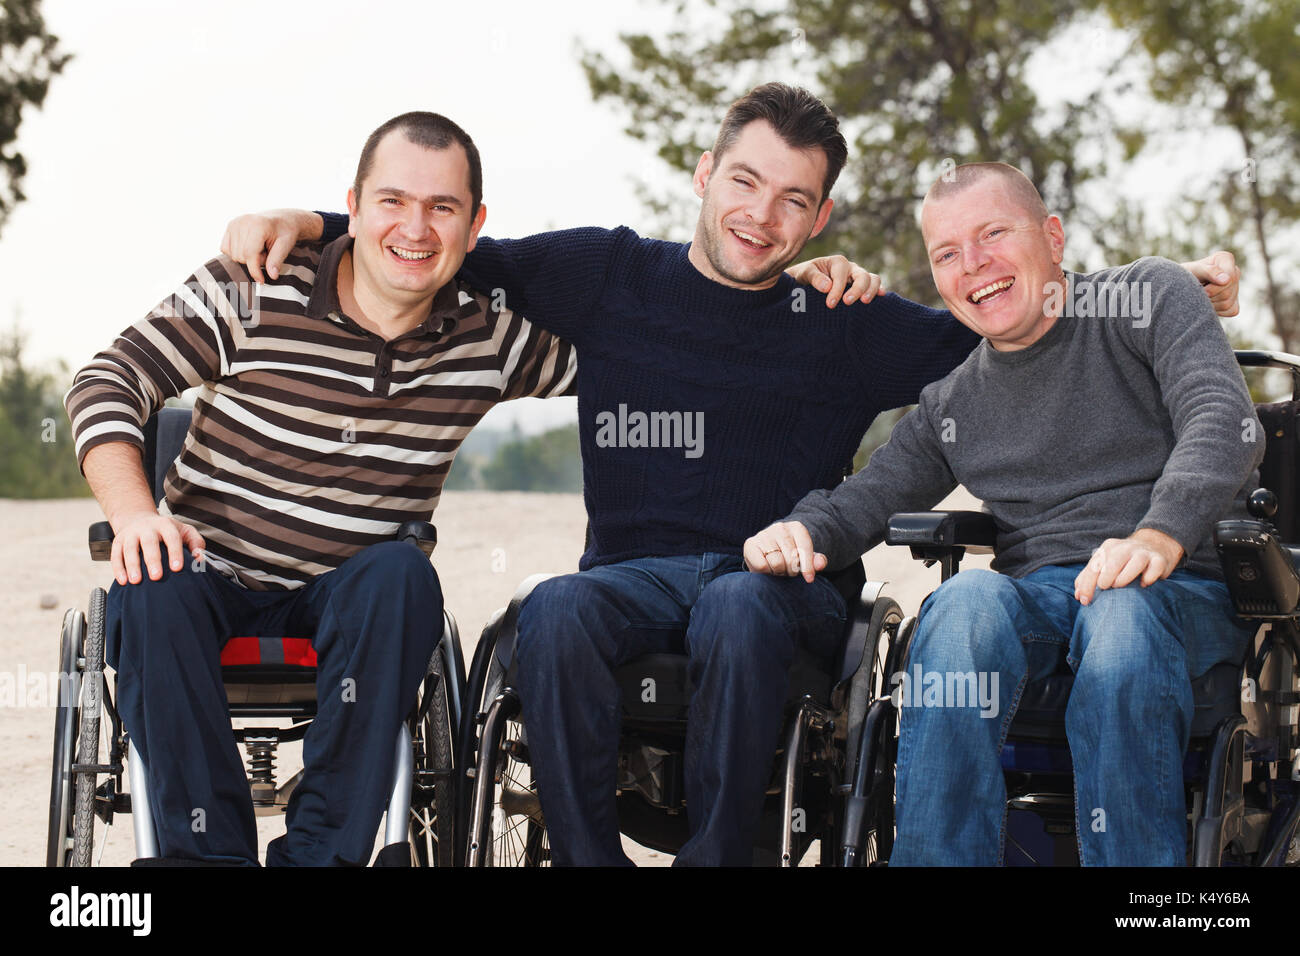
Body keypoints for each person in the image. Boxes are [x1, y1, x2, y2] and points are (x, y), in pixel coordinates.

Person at [224, 84, 1241, 866]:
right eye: (745, 182)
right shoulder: (607, 272)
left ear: (821, 220)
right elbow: (438, 247)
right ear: (706, 172)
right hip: (639, 574)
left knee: (745, 606)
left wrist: (1154, 288)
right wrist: (316, 222)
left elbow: (1021, 318)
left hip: (796, 588)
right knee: (556, 609)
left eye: (793, 199)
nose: (761, 214)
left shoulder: (859, 325)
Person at [64, 112, 578, 865]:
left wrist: (770, 293)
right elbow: (109, 378)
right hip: (209, 571)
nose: (416, 227)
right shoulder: (251, 286)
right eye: (393, 202)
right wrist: (135, 514)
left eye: (443, 208)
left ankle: (318, 857)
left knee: (404, 574)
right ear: (354, 206)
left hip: (353, 597)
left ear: (476, 227)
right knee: (150, 580)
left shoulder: (489, 337)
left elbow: (639, 359)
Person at [744, 162, 1262, 865]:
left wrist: (1159, 533)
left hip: (1181, 587)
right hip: (1045, 598)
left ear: (1052, 235)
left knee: (1120, 612)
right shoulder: (955, 402)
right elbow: (872, 493)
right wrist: (802, 530)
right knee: (962, 602)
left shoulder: (1147, 295)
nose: (974, 265)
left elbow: (1220, 416)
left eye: (993, 234)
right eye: (948, 253)